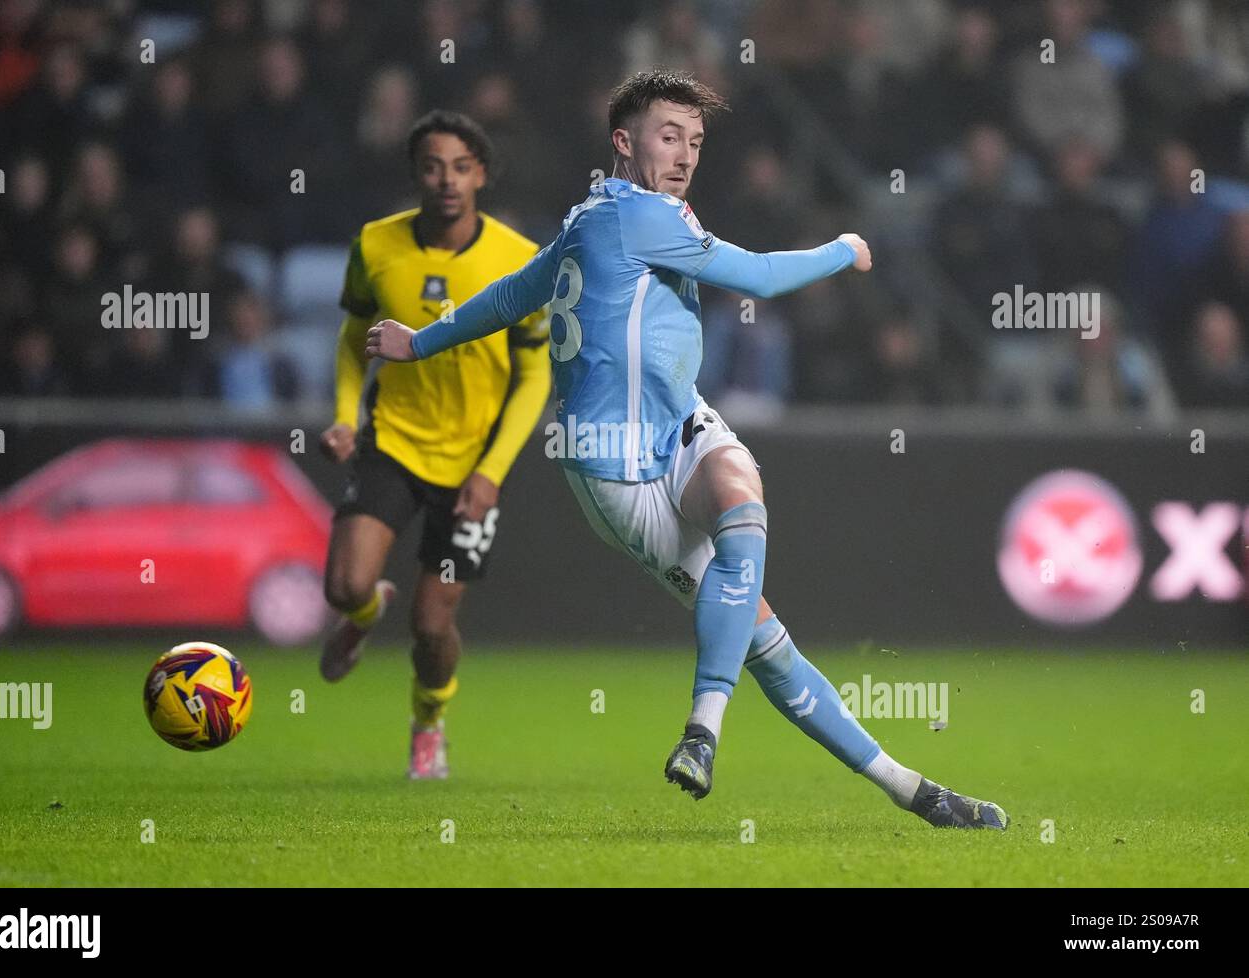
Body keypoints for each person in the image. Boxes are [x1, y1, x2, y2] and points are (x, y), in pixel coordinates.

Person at [366, 70, 1005, 829]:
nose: (685, 154)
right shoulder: (638, 218)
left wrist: (424, 339)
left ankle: (711, 733)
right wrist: (843, 247)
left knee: (744, 498)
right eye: (669, 136)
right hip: (615, 472)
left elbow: (515, 292)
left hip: (679, 423)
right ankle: (907, 789)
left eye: (696, 142)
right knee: (769, 648)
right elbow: (761, 278)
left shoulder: (590, 218)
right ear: (624, 142)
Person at [320, 110, 551, 780]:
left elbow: (536, 372)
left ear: (480, 173)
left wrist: (493, 471)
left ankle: (428, 720)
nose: (446, 180)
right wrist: (342, 416)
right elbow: (351, 336)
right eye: (432, 165)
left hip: (472, 465)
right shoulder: (375, 245)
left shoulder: (518, 260)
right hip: (393, 442)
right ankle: (366, 613)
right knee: (344, 585)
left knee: (431, 627)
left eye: (460, 166)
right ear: (416, 174)